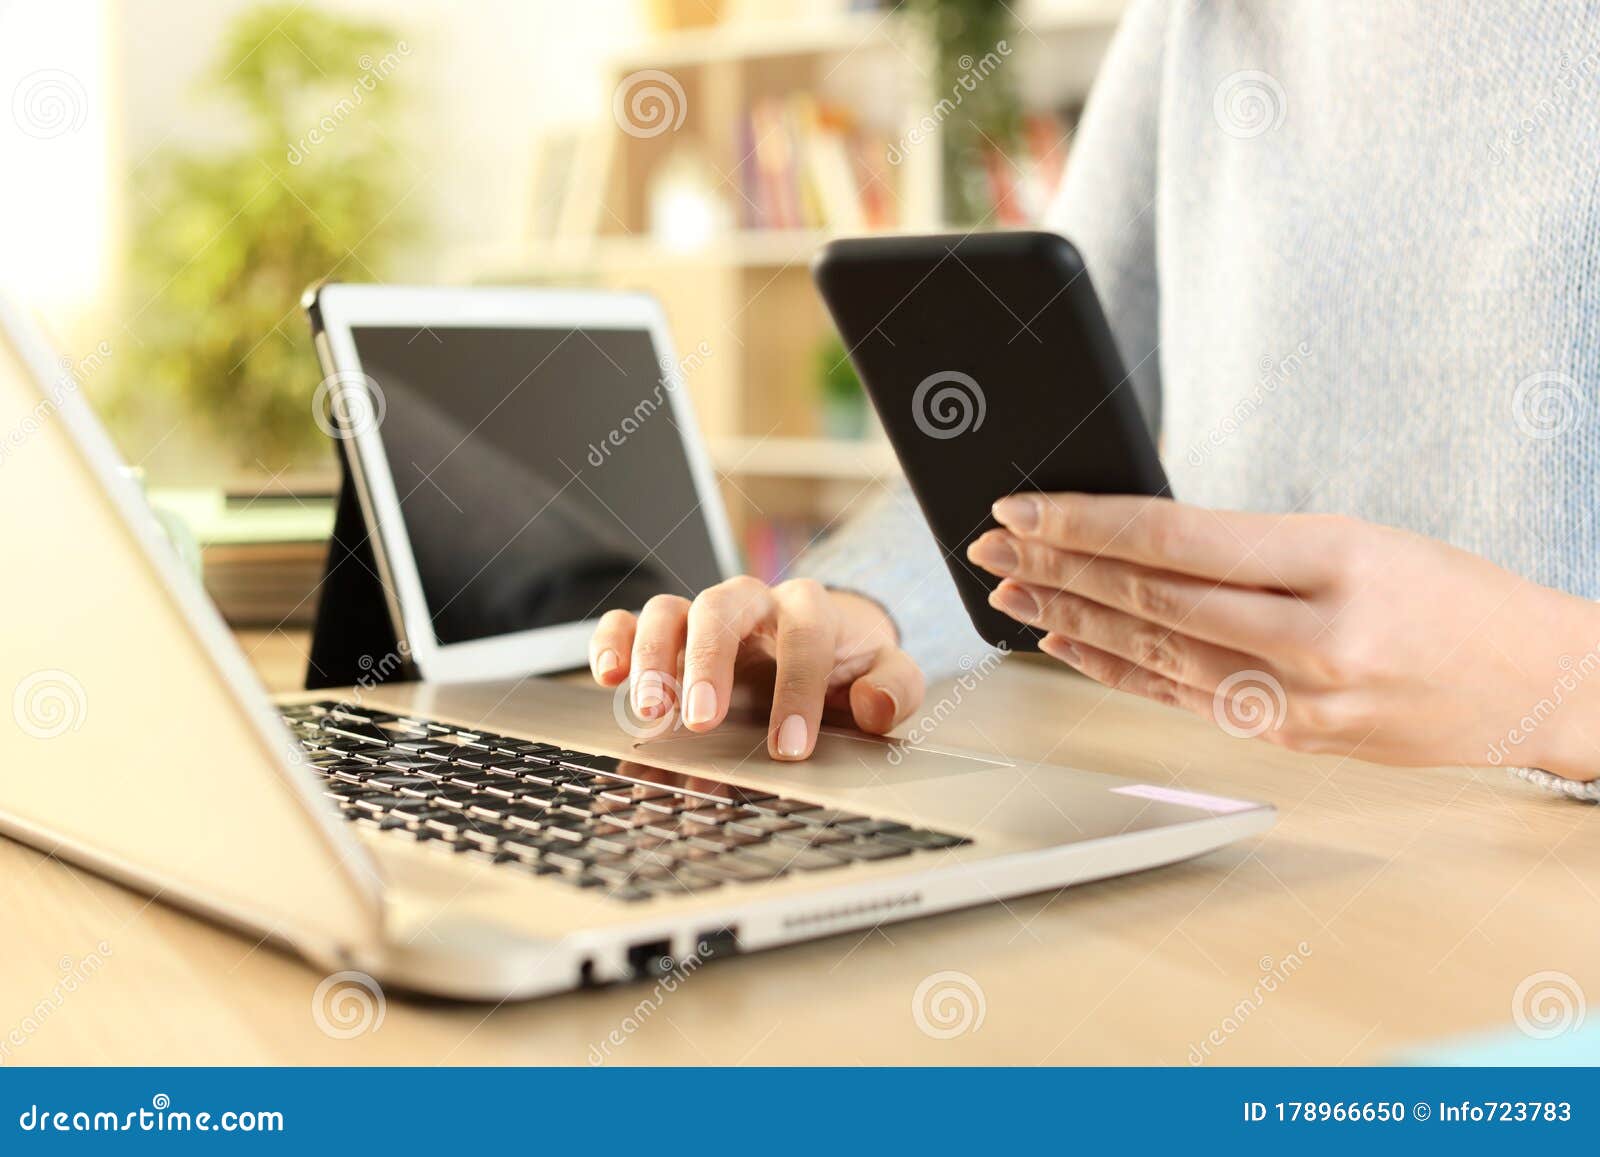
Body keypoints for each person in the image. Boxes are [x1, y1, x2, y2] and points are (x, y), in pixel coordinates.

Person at [589, 2, 1600, 797]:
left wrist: (1553, 686)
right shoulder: (1194, 21)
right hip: (1235, 835)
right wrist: (861, 612)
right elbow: (1027, 472)